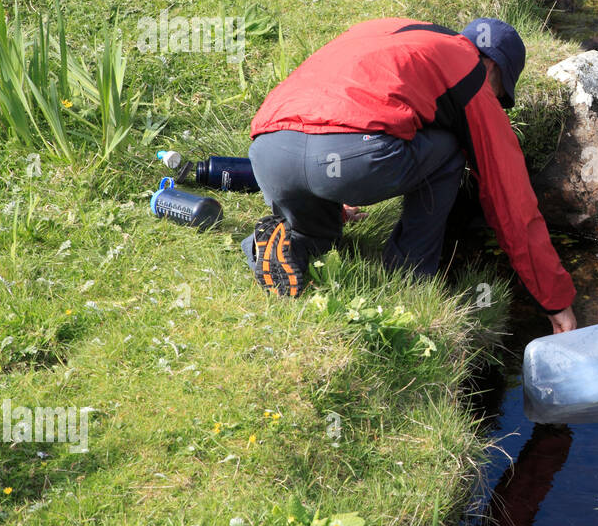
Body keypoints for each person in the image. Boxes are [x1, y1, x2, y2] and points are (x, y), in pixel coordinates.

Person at [240, 17, 578, 334]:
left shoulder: (394, 33)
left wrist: (337, 202)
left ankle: (280, 243)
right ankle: (408, 276)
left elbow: (338, 107)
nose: (495, 101)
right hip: (350, 159)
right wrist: (555, 301)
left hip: (270, 152)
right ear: (492, 67)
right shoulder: (471, 72)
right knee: (449, 146)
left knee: (316, 236)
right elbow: (510, 199)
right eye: (500, 95)